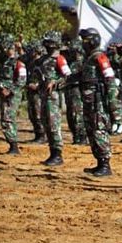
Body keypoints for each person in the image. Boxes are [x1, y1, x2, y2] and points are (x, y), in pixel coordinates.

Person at [76, 28, 122, 176]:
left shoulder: (100, 57)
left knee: (99, 130)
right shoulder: (88, 59)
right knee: (91, 132)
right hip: (89, 102)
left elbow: (110, 82)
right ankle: (99, 162)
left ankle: (105, 165)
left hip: (98, 103)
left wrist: (115, 109)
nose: (83, 44)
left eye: (86, 40)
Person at [37, 31, 70, 166]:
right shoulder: (43, 59)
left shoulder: (60, 59)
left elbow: (68, 77)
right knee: (46, 123)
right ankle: (52, 152)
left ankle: (57, 154)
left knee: (53, 124)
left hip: (54, 97)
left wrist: (55, 83)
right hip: (44, 95)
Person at [0, 34, 27, 155]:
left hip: (12, 95)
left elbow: (22, 80)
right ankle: (12, 145)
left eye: (6, 48)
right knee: (5, 118)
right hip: (4, 93)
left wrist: (10, 91)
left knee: (8, 119)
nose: (4, 50)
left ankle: (14, 147)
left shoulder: (19, 61)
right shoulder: (6, 60)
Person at [63, 34, 88, 146]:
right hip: (69, 91)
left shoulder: (83, 62)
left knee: (78, 114)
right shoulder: (70, 62)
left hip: (77, 91)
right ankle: (76, 136)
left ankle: (82, 137)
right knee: (70, 114)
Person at [24, 41, 46, 143]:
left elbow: (47, 77)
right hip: (30, 92)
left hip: (39, 93)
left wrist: (37, 86)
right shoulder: (31, 62)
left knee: (38, 114)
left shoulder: (42, 62)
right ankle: (37, 134)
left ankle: (42, 136)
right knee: (32, 114)